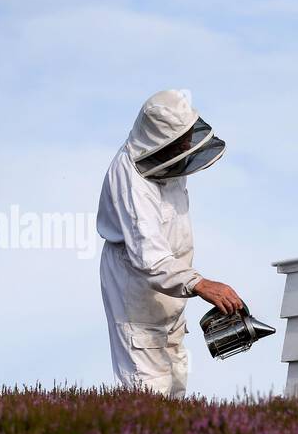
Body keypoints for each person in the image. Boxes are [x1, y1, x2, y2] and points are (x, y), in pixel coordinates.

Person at [97, 89, 244, 396]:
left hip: (171, 290)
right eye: (180, 143)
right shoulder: (130, 182)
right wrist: (201, 284)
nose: (187, 147)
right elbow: (149, 257)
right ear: (158, 142)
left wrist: (192, 284)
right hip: (136, 286)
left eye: (188, 138)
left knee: (175, 379)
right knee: (148, 387)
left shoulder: (169, 162)